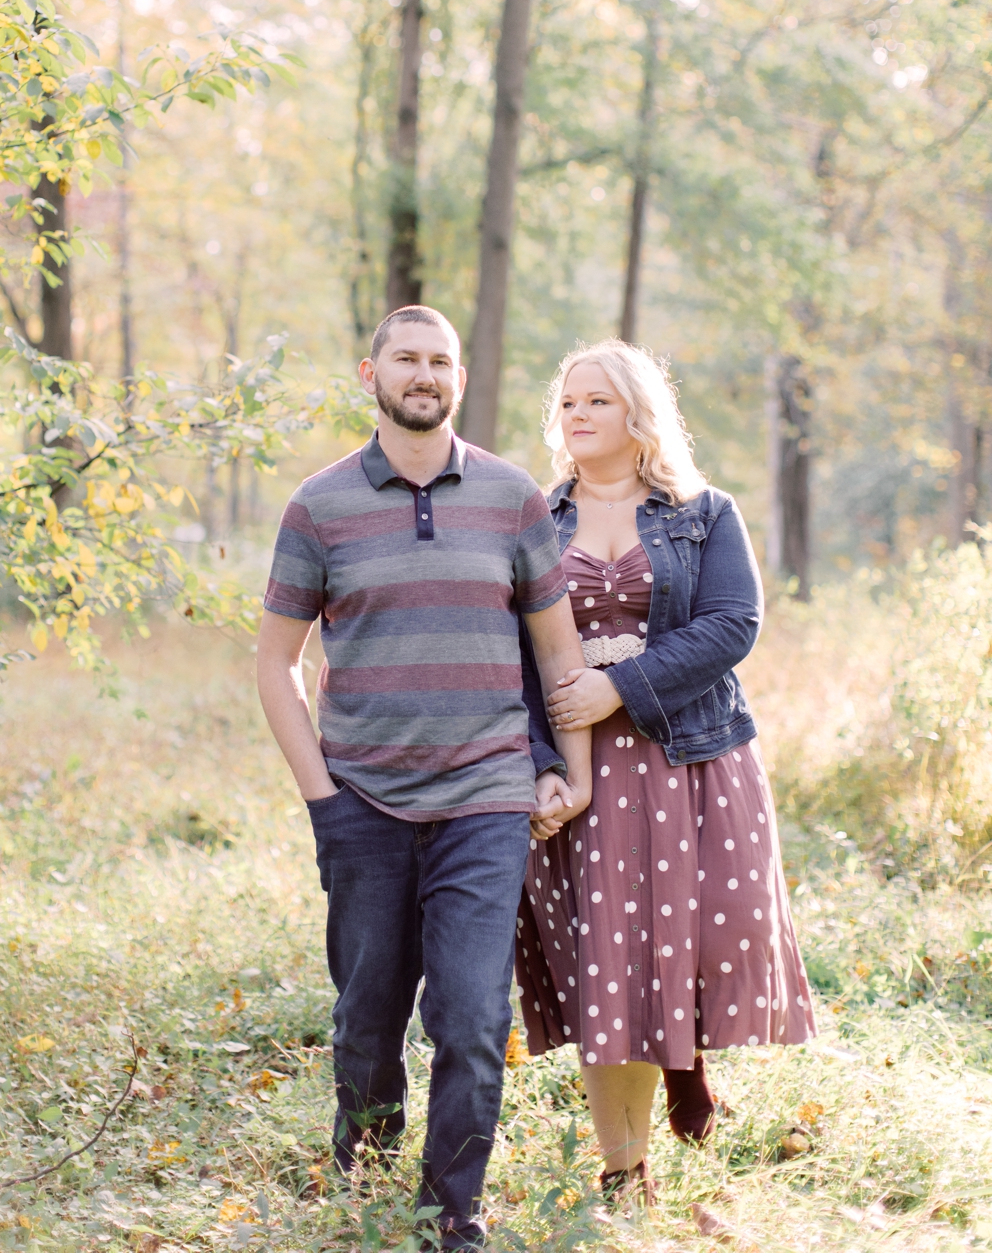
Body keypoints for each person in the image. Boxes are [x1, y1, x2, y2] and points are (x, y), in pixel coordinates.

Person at [256, 305, 591, 1250]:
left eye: (441, 360)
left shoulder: (513, 497)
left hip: (486, 797)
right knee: (366, 1016)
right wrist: (320, 795)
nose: (425, 374)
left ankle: (454, 1211)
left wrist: (573, 769)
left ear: (460, 379)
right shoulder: (319, 506)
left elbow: (559, 650)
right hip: (359, 798)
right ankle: (364, 1153)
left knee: (475, 1017)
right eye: (406, 358)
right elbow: (274, 662)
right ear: (371, 374)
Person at [515, 339, 816, 1207]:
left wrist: (622, 686)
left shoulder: (703, 511)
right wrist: (543, 765)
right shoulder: (535, 519)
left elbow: (732, 623)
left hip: (695, 755)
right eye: (568, 401)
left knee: (717, 940)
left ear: (638, 414)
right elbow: (516, 658)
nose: (576, 415)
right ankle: (623, 1171)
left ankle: (687, 1049)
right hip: (587, 775)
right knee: (614, 969)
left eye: (598, 401)